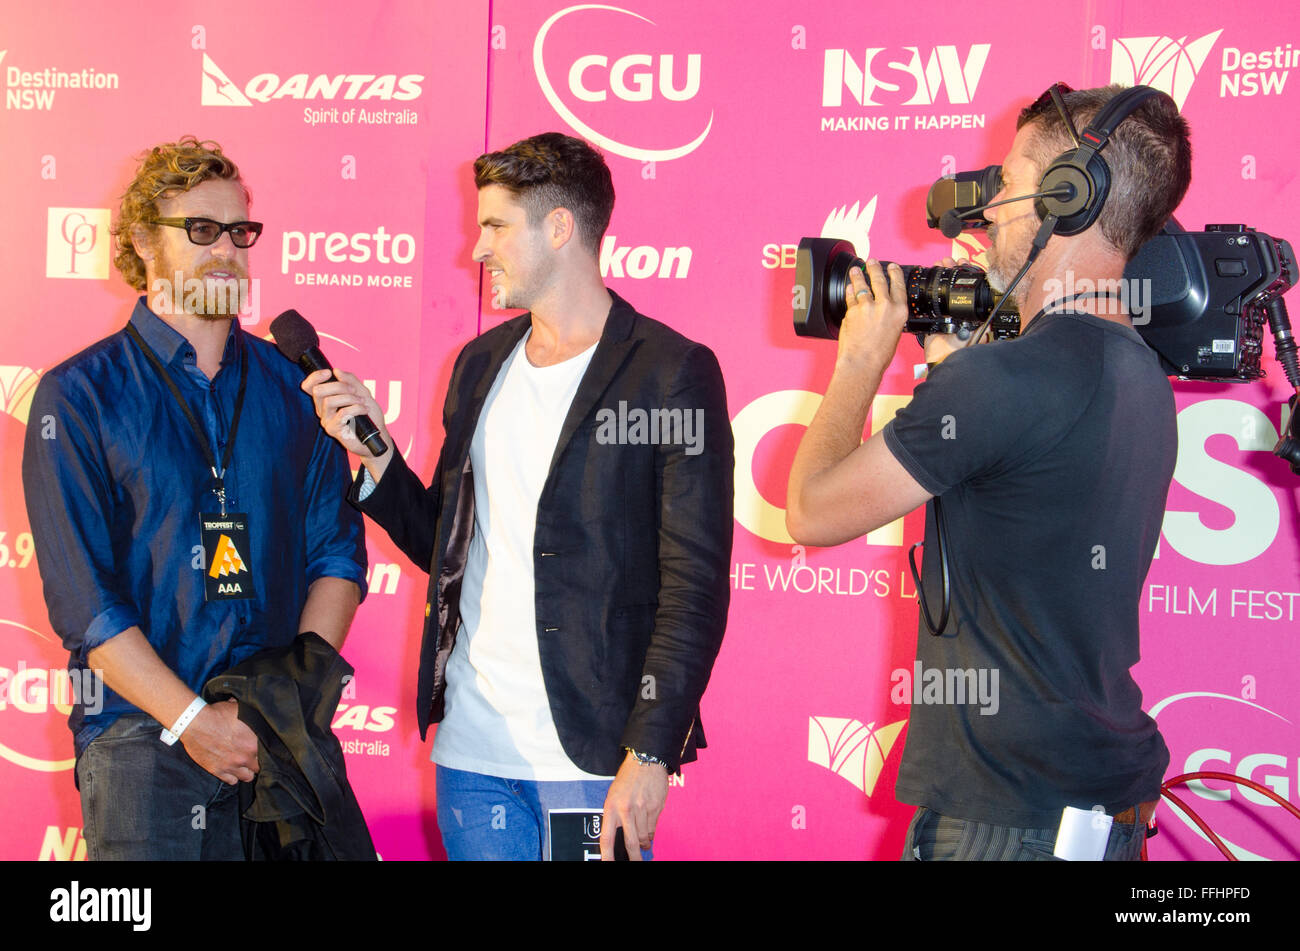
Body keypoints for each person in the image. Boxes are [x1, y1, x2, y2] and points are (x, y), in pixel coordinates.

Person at [786, 84, 1191, 861]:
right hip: (1100, 803)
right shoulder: (1141, 369)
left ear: (1068, 197)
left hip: (1003, 820)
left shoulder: (1006, 380)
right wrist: (958, 382)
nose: (990, 209)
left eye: (1007, 184)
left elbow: (810, 509)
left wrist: (860, 361)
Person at [304, 132, 733, 861]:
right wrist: (375, 453)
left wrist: (651, 753)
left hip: (596, 760)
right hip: (473, 756)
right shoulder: (479, 365)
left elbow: (694, 586)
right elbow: (445, 544)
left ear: (559, 227)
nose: (478, 248)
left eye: (496, 226)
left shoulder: (670, 372)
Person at [22, 136, 367, 860]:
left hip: (276, 736)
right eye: (202, 230)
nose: (227, 250)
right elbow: (86, 602)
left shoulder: (297, 388)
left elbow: (337, 556)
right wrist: (191, 720)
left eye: (240, 231)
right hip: (140, 740)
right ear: (144, 242)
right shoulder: (78, 395)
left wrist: (283, 703)